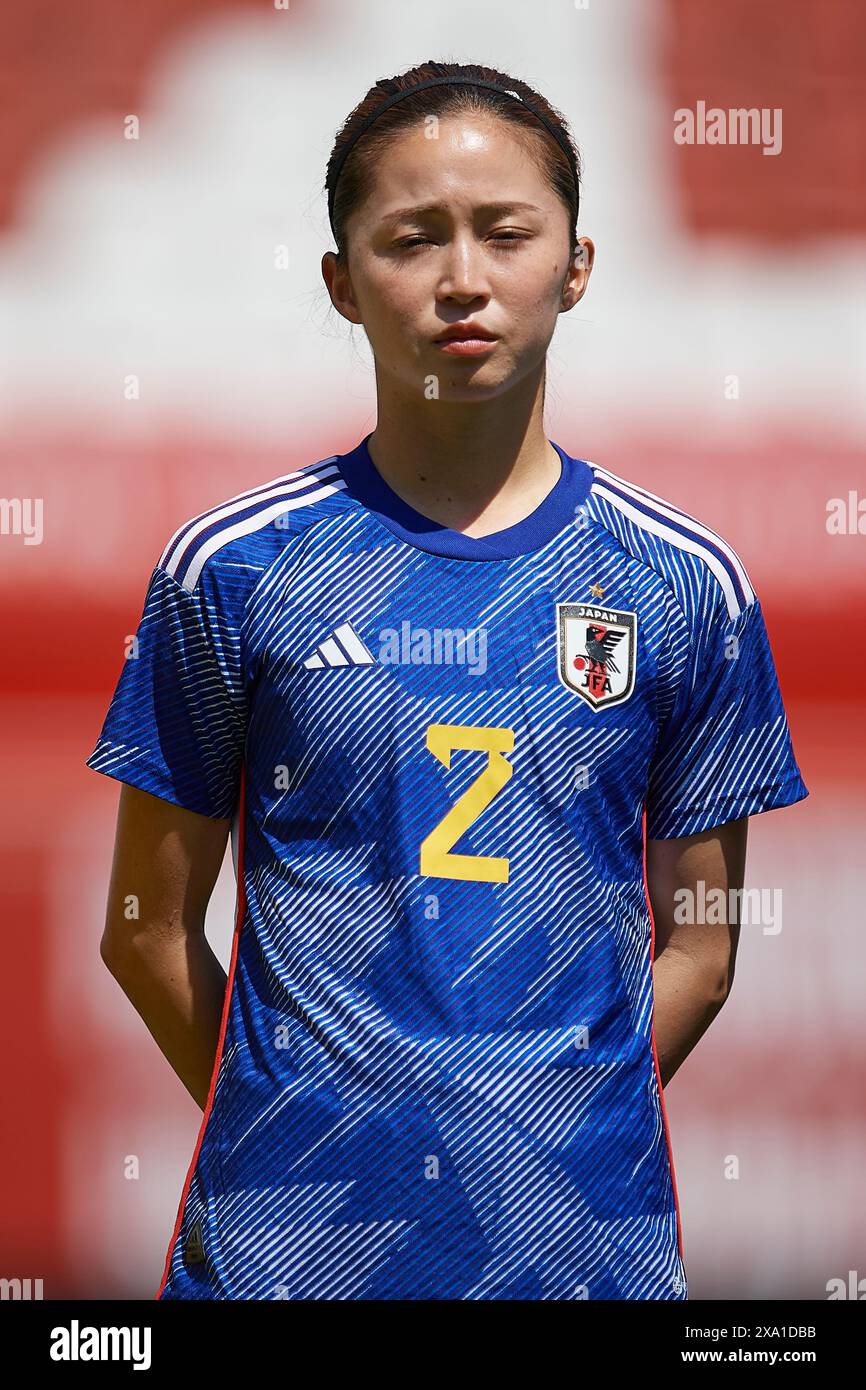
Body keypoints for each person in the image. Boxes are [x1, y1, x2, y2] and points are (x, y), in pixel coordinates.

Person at [86, 58, 809, 1301]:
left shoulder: (684, 581)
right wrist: (309, 1135)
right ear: (339, 283)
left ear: (575, 265)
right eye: (412, 238)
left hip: (575, 1260)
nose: (462, 280)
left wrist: (521, 1145)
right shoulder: (234, 567)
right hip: (287, 1263)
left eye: (505, 233)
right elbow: (144, 930)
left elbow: (701, 940)